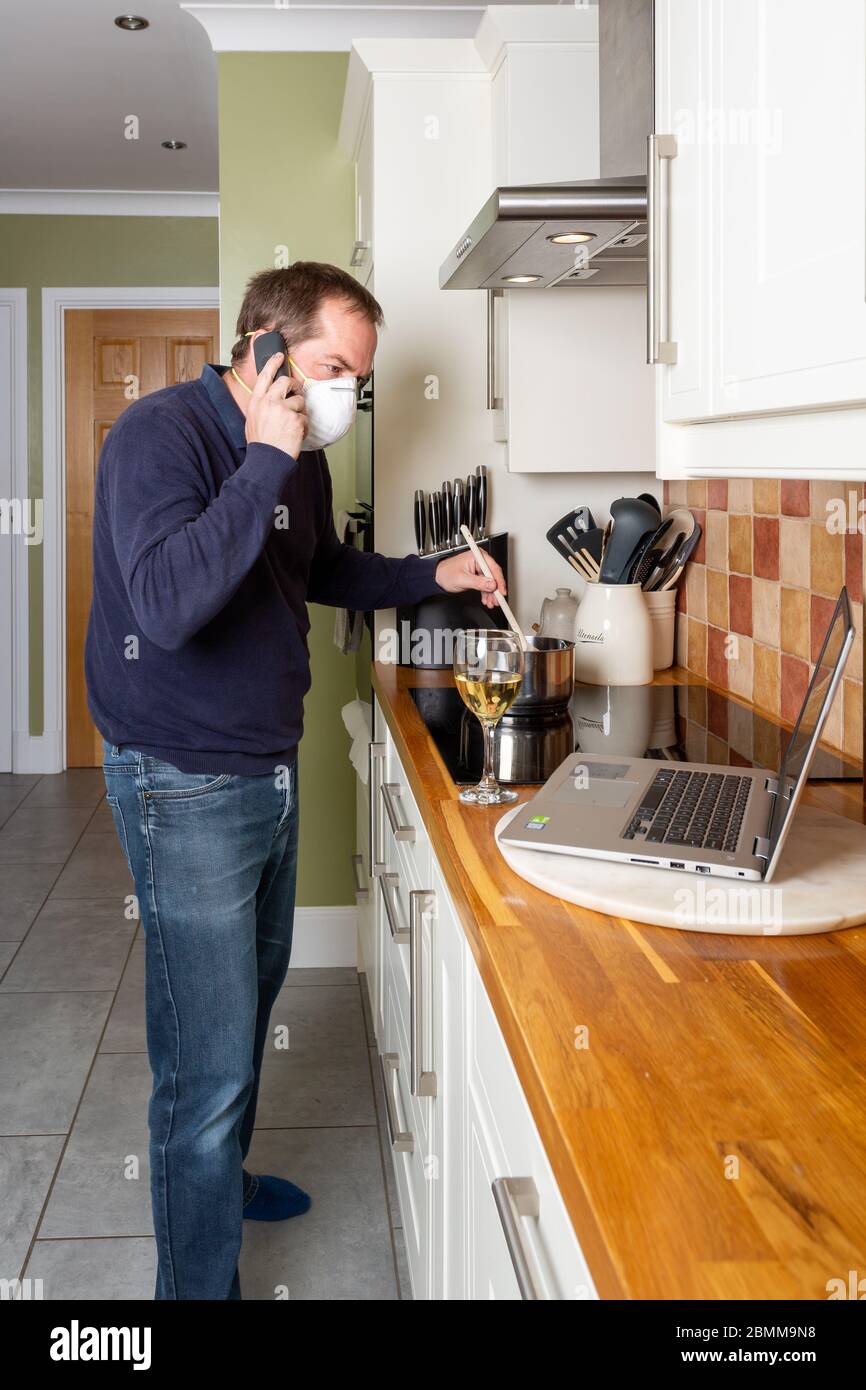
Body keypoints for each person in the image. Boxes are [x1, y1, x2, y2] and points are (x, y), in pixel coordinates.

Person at [84, 262, 506, 1300]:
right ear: (263, 350)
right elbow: (170, 605)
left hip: (263, 768)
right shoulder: (160, 436)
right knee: (205, 1063)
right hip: (179, 778)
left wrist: (428, 573)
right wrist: (264, 460)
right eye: (329, 369)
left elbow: (314, 570)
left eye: (356, 380)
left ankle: (217, 1181)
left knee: (246, 1005)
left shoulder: (296, 460)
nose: (344, 398)